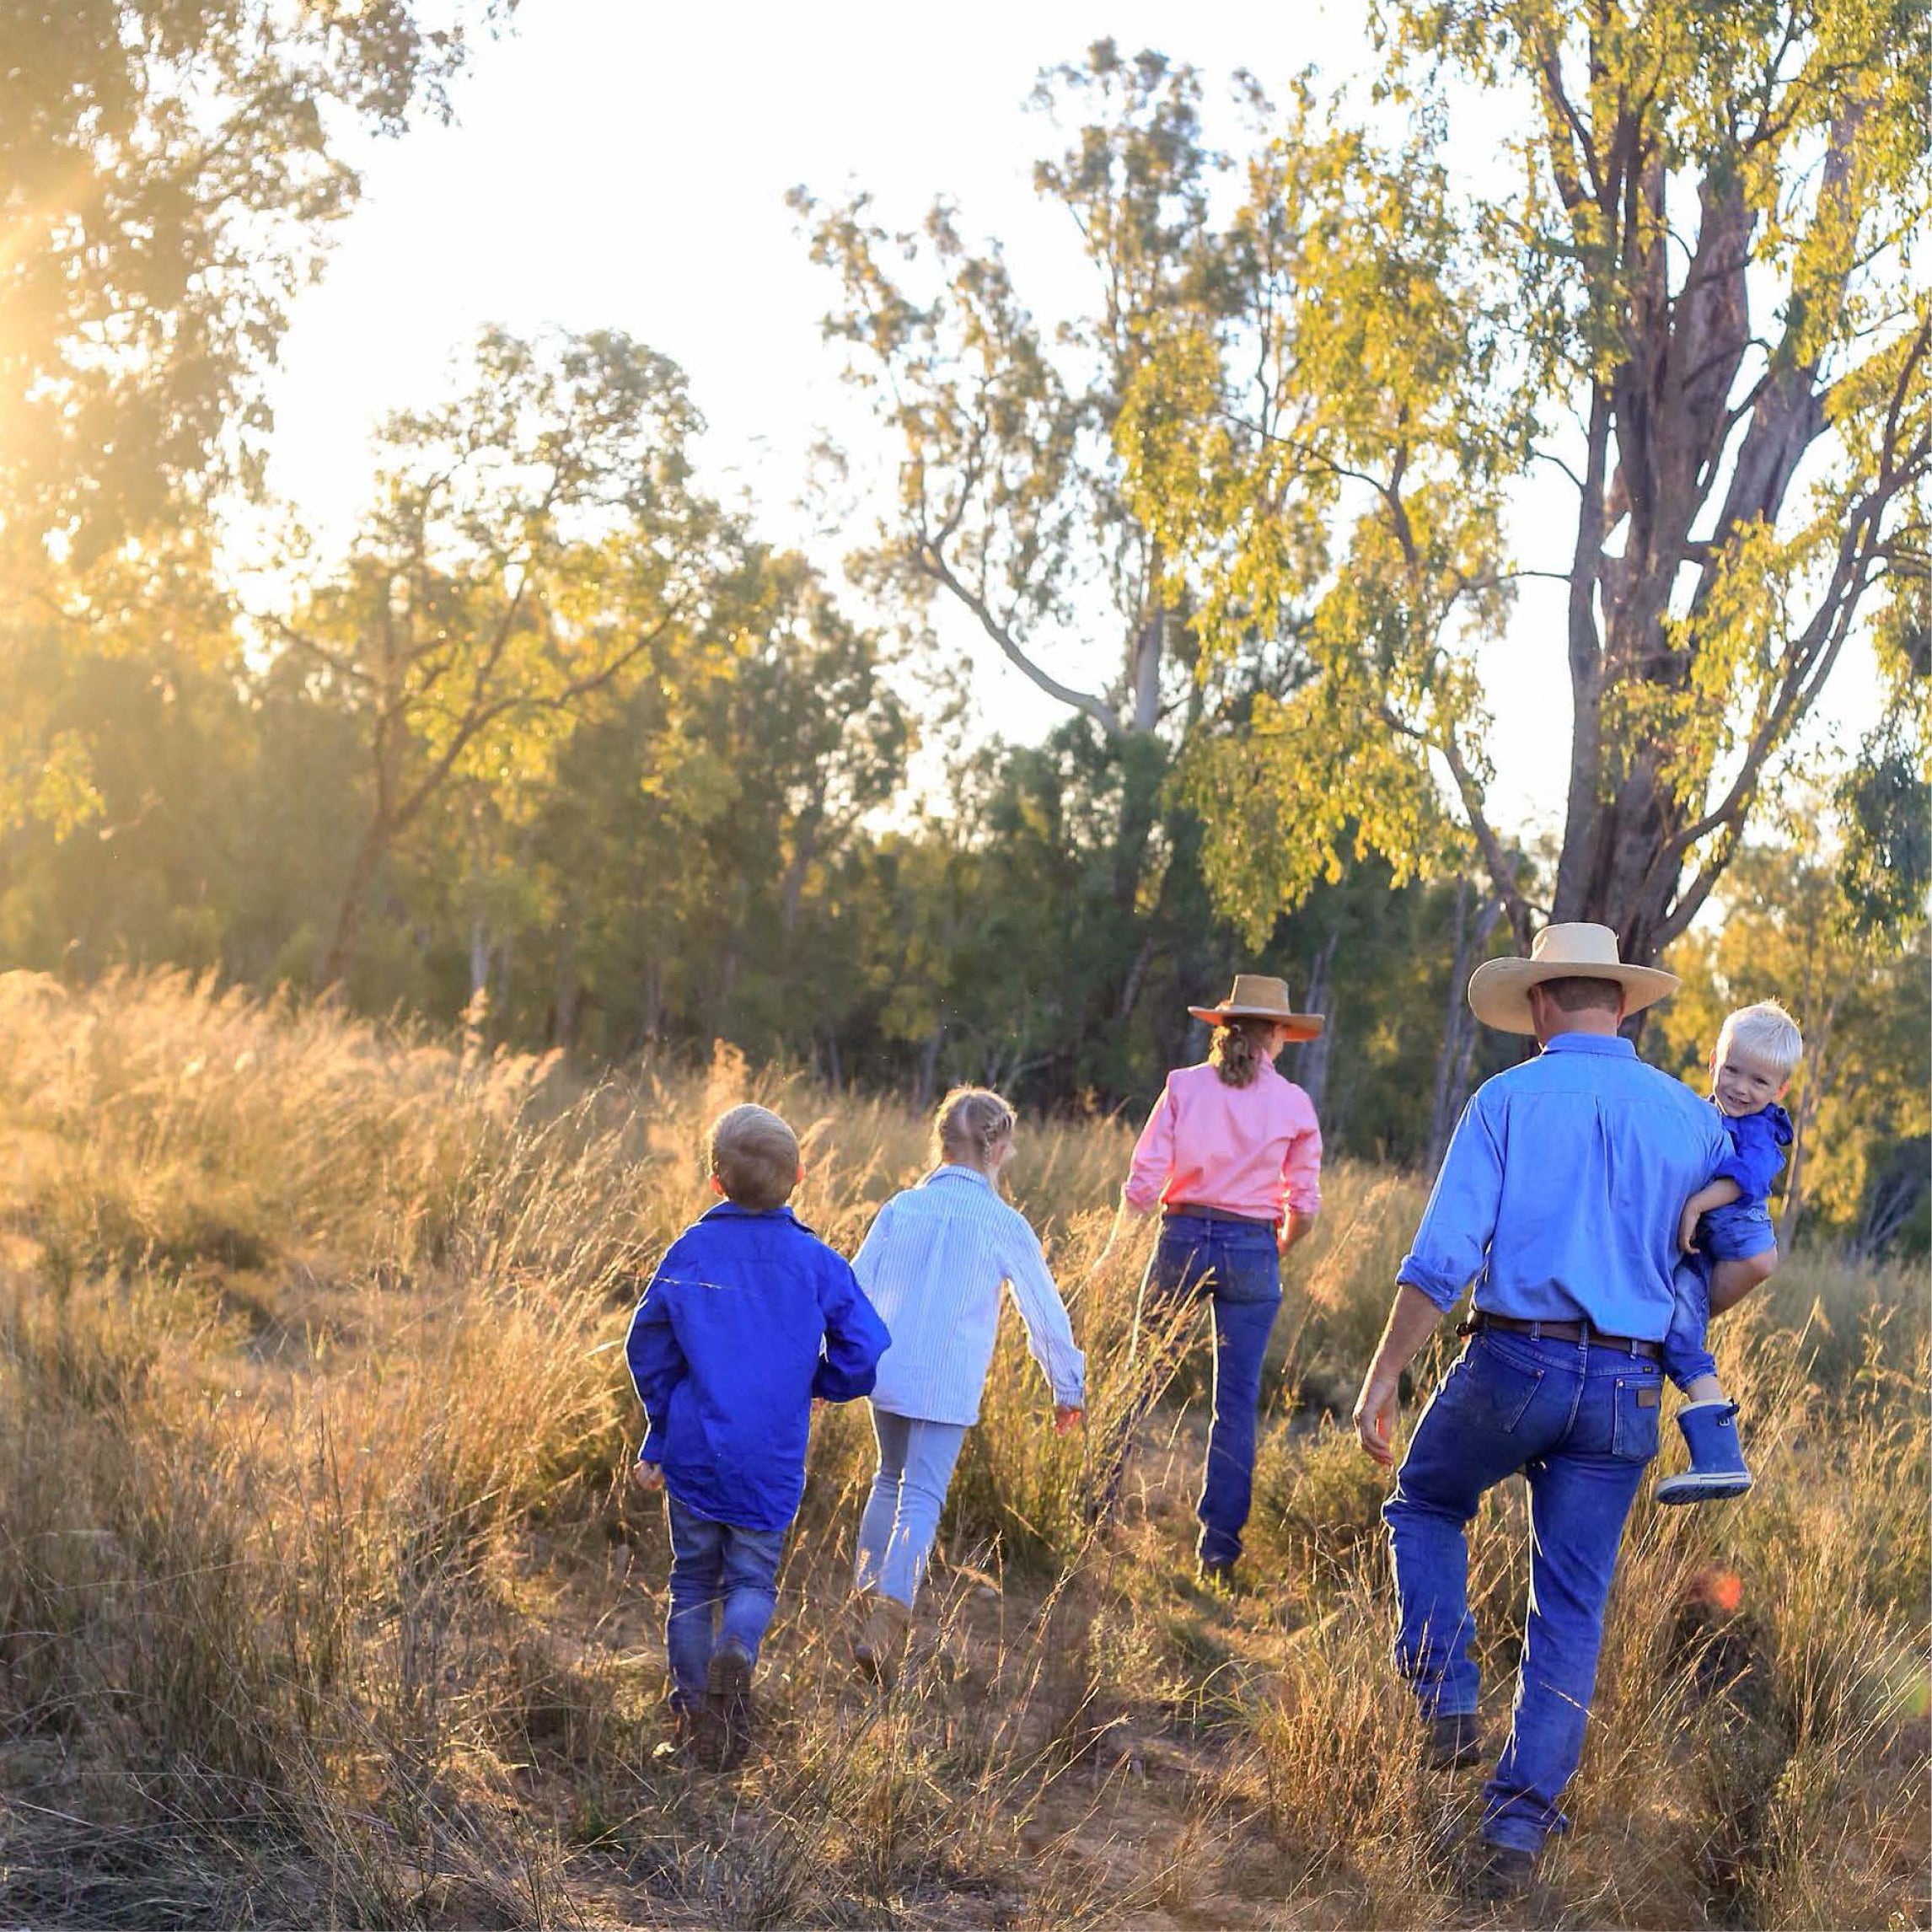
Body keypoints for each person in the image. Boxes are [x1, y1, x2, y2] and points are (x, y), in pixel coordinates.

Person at [1350, 923, 1734, 1902]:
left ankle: (1444, 1698)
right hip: (1628, 1388)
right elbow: (1734, 1258)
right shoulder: (1692, 1121)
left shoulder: (1506, 1100)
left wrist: (1386, 1371)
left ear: (1537, 1005)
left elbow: (1443, 1258)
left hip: (1514, 1358)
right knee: (1571, 1606)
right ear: (1620, 1003)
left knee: (1425, 1503)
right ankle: (1515, 1833)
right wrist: (1654, 1319)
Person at [625, 1103, 889, 1769]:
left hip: (692, 1449)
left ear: (715, 1180)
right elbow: (863, 1352)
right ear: (799, 1175)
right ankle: (737, 1652)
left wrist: (663, 1423)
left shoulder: (689, 1251)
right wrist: (816, 1383)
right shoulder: (817, 1262)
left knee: (690, 1583)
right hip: (769, 1456)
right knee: (752, 1577)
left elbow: (645, 1344)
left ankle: (690, 1721)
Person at [847, 1087, 1085, 1679]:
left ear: (940, 1144)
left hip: (889, 1368)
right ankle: (888, 1618)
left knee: (888, 1478)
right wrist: (1067, 1386)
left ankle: (864, 1600)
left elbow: (853, 1290)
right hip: (946, 1381)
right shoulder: (1003, 1222)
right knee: (922, 1493)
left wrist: (832, 1363)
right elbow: (1044, 1311)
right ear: (998, 1149)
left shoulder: (901, 1208)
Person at [1109, 974, 1323, 1589]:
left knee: (1139, 1381)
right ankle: (1218, 1554)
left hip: (1180, 1237)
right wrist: (1277, 1245)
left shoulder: (1182, 1086)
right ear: (1277, 1035)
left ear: (1224, 1029)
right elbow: (1303, 1206)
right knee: (1234, 1404)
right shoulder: (1294, 1104)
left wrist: (1114, 1251)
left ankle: (1094, 1507)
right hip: (1252, 1245)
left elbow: (1144, 1181)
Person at [1656, 1000, 1801, 1505]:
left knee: (1680, 1339)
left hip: (1739, 1231)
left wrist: (1697, 1203)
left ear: (1780, 1090)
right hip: (1706, 1249)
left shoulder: (1760, 1131)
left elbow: (1752, 1179)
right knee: (1674, 1334)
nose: (1741, 1088)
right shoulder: (1700, 1114)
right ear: (1712, 1061)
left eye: (1759, 1082)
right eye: (1733, 1071)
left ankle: (1721, 1459)